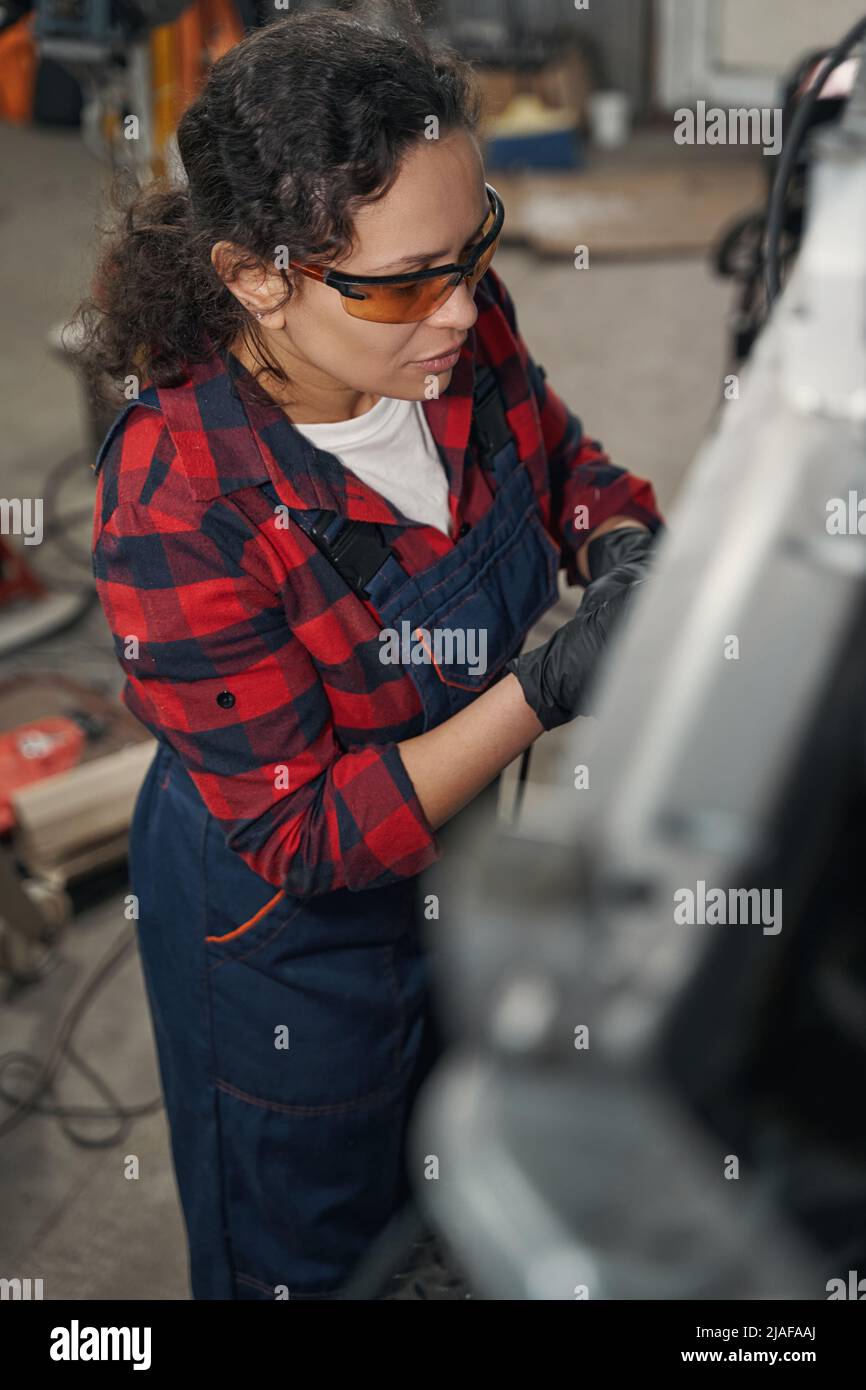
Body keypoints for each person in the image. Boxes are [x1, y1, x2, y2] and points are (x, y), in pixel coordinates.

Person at [76, 4, 663, 1299]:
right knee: (311, 1241)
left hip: (446, 862)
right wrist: (540, 688)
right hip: (285, 931)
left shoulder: (450, 321)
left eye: (476, 250)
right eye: (404, 280)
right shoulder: (180, 500)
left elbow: (560, 460)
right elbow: (307, 837)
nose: (459, 309)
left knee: (441, 1159)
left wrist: (616, 533)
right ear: (257, 277)